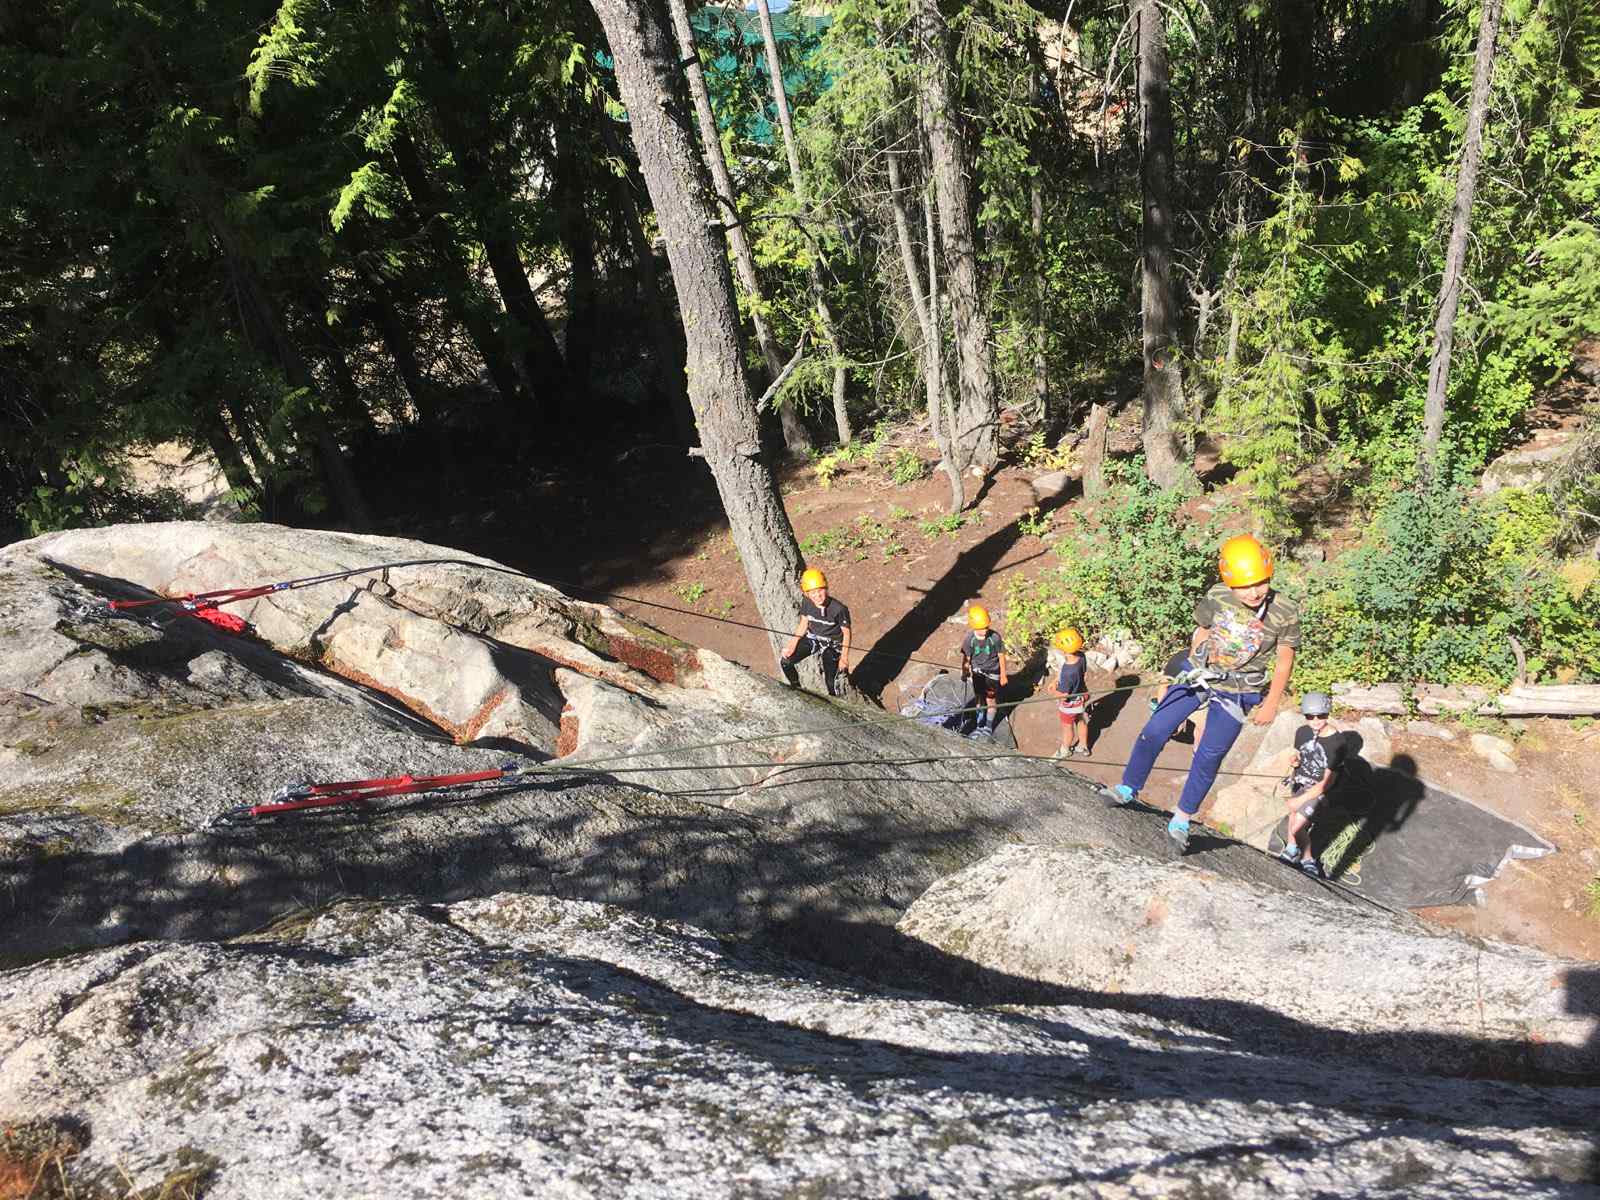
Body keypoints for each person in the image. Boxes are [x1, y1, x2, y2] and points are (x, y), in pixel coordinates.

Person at [1101, 534, 1301, 854]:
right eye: (1244, 586)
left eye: (1260, 583)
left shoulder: (1284, 610)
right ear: (1230, 582)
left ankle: (1181, 819)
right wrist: (1196, 658)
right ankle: (1128, 787)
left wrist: (1272, 703)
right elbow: (1202, 629)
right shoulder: (1218, 595)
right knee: (1155, 729)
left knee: (1209, 756)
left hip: (1239, 689)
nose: (1253, 592)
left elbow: (1284, 660)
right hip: (1200, 675)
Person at [1278, 691, 1355, 878]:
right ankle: (1291, 849)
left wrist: (1300, 800)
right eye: (1310, 716)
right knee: (1293, 815)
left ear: (1328, 714)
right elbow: (1300, 754)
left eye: (1321, 716)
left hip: (1319, 789)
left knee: (1297, 827)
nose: (1315, 721)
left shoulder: (1337, 743)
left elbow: (1327, 783)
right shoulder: (1302, 732)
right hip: (1301, 781)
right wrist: (1295, 762)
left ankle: (1307, 859)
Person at [780, 568, 851, 696]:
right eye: (813, 592)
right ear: (807, 594)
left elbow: (846, 633)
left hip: (832, 644)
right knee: (786, 662)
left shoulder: (839, 609)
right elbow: (804, 623)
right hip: (814, 638)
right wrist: (792, 644)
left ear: (826, 589)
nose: (817, 595)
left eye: (820, 590)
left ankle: (835, 701)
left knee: (830, 682)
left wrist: (844, 657)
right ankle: (797, 691)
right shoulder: (807, 603)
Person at [959, 605, 1008, 739]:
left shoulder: (994, 637)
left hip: (993, 673)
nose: (985, 630)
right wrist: (964, 671)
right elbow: (967, 657)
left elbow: (1001, 656)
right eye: (981, 628)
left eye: (986, 627)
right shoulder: (970, 639)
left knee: (990, 699)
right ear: (973, 626)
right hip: (978, 673)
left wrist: (1003, 675)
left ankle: (988, 727)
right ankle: (979, 726)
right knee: (979, 699)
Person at [1047, 626, 1091, 758]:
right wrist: (1056, 679)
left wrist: (1053, 692)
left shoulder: (1068, 672)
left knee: (1067, 727)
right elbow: (1081, 673)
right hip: (1081, 695)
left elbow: (1064, 696)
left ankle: (1065, 750)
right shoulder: (1081, 656)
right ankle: (1083, 746)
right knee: (1080, 720)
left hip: (1070, 704)